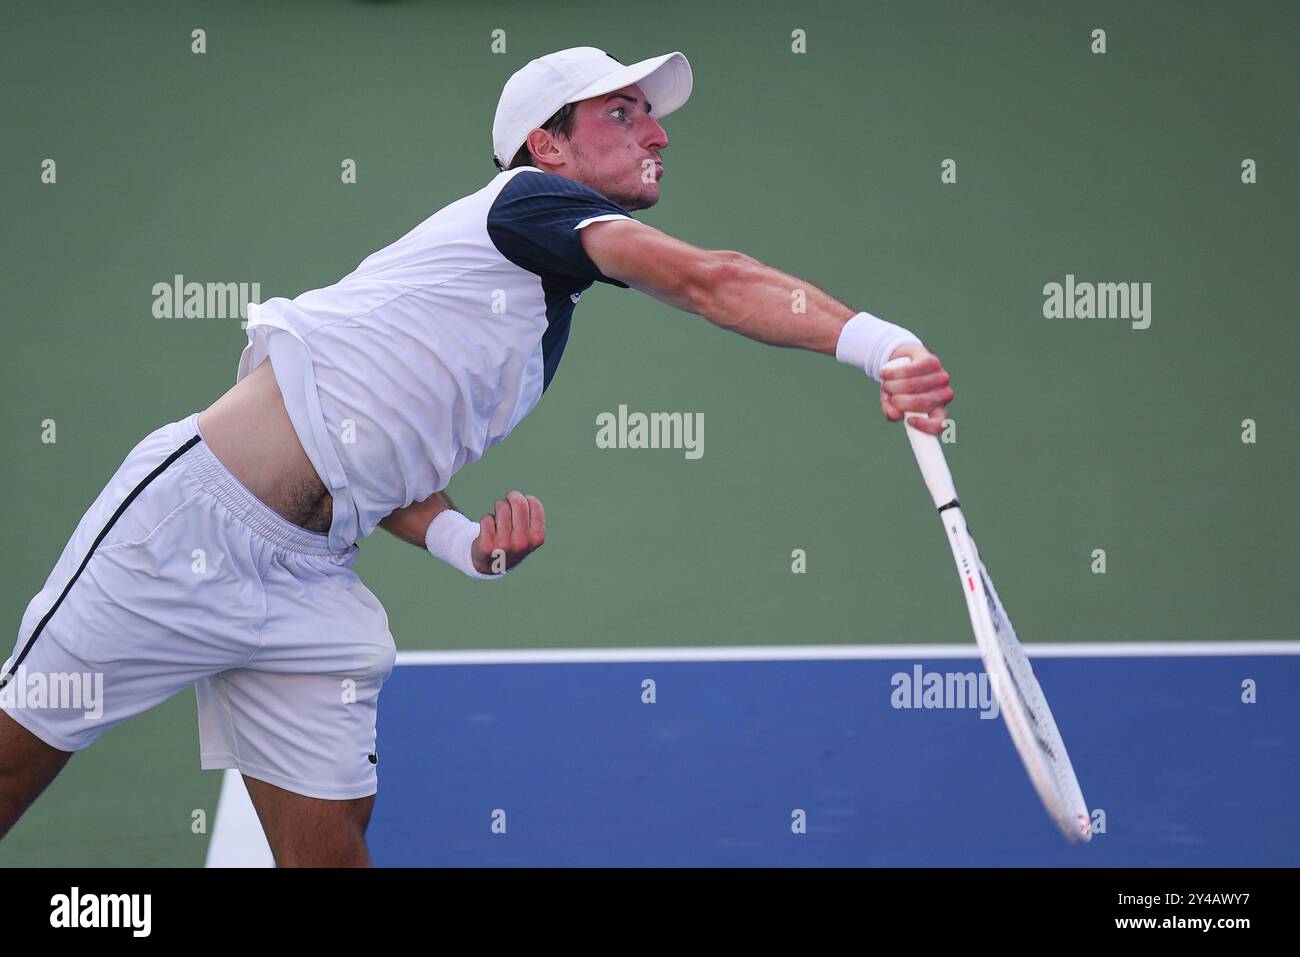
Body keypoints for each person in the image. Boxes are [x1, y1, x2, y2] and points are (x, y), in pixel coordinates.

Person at [0, 46, 953, 866]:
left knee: (330, 847)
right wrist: (881, 343)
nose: (656, 134)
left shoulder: (535, 327)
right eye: (622, 114)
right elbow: (712, 281)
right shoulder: (527, 204)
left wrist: (464, 543)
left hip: (310, 587)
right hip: (187, 529)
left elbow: (386, 467)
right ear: (546, 146)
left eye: (651, 118)